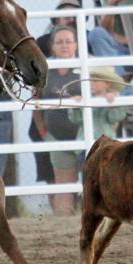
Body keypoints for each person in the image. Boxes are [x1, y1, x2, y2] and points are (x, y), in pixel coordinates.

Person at [32, 25, 80, 216]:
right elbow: (36, 101)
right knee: (64, 187)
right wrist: (43, 131)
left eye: (68, 41)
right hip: (57, 137)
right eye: (59, 42)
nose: (64, 45)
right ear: (52, 46)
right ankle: (65, 224)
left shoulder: (87, 66)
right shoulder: (45, 69)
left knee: (93, 183)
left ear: (76, 45)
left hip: (84, 135)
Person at [68, 66, 129, 139]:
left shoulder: (113, 97)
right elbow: (76, 120)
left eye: (95, 81)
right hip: (85, 138)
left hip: (105, 138)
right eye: (90, 80)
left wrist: (113, 104)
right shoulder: (85, 98)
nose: (91, 83)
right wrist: (76, 106)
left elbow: (115, 118)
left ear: (107, 84)